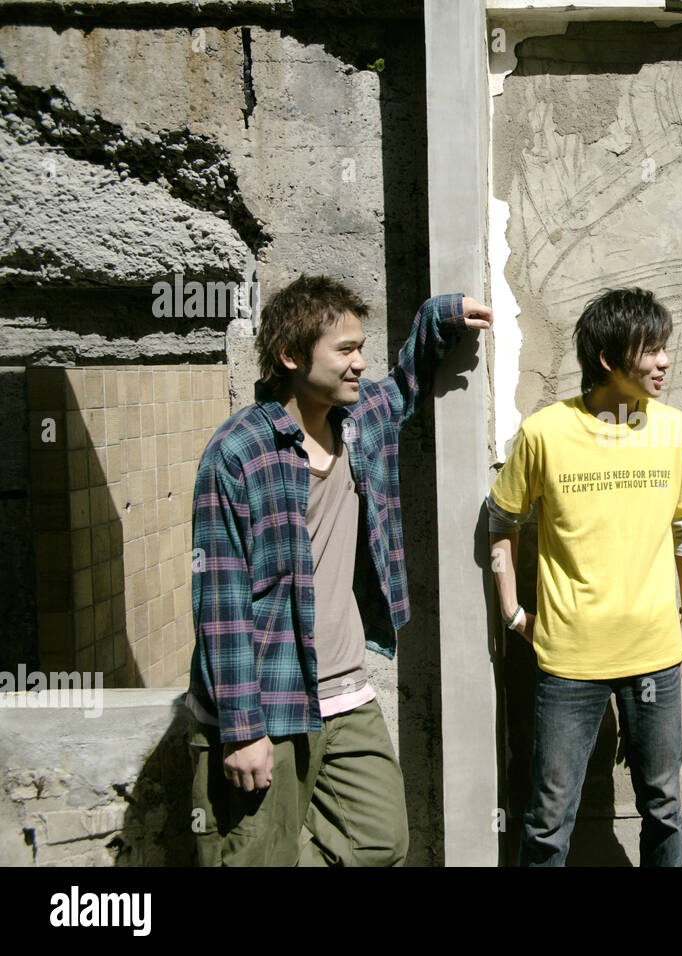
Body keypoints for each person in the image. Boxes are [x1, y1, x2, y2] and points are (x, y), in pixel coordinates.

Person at [187, 274, 492, 866]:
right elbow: (220, 601)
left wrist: (442, 315)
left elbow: (404, 383)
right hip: (265, 702)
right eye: (345, 351)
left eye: (361, 349)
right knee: (254, 857)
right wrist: (241, 728)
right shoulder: (238, 452)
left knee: (379, 840)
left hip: (344, 692)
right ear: (291, 356)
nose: (359, 364)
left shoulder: (359, 420)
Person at [488, 287, 682, 867]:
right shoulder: (545, 433)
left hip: (655, 655)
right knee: (548, 819)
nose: (665, 362)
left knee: (663, 808)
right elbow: (502, 521)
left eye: (666, 348)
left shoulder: (676, 431)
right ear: (611, 360)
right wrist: (513, 611)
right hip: (568, 660)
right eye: (652, 350)